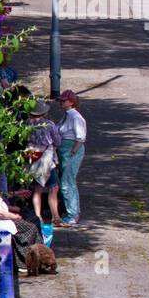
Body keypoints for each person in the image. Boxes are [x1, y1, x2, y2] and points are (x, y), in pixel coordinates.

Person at [26, 99, 61, 242]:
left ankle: (37, 216)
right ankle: (55, 216)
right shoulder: (49, 124)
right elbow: (57, 141)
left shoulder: (27, 124)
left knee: (37, 189)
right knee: (54, 187)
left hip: (32, 157)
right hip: (46, 158)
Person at [56, 90, 87, 226]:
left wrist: (72, 152)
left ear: (71, 102)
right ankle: (71, 211)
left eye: (64, 100)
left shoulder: (75, 117)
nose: (61, 102)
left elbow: (80, 137)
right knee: (67, 181)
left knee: (67, 183)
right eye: (61, 100)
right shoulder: (67, 115)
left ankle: (72, 214)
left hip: (71, 150)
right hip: (64, 150)